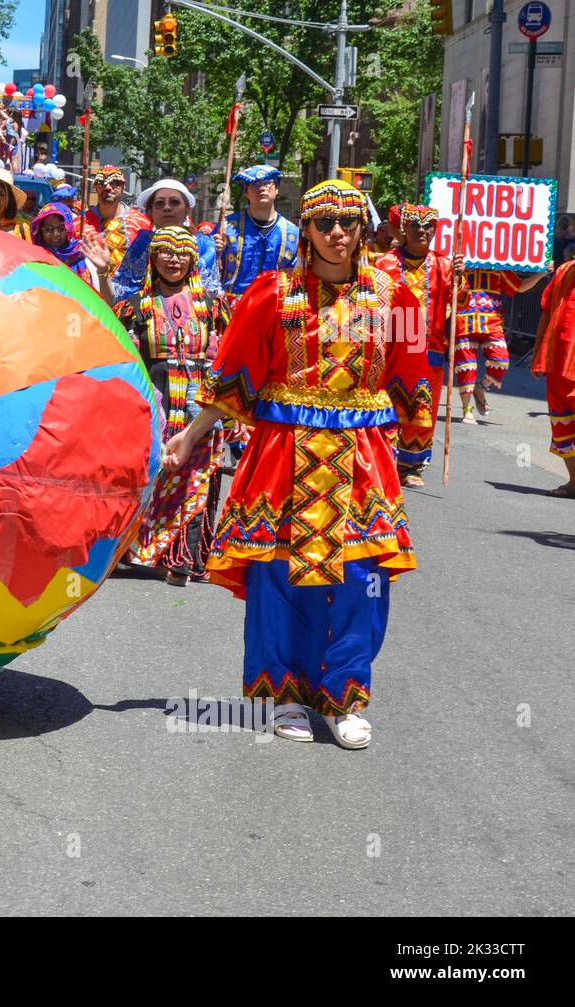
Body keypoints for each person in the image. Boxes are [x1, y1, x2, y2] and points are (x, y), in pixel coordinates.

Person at [162, 179, 432, 750]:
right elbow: (236, 374)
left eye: (350, 223)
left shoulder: (393, 298)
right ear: (305, 230)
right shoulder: (273, 294)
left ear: (364, 229)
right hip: (283, 453)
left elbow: (411, 370)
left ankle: (344, 696)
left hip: (361, 458)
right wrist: (189, 437)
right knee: (279, 575)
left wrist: (416, 437)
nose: (339, 234)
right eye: (325, 223)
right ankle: (282, 695)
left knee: (364, 578)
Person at [115, 227, 223, 585]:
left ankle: (185, 558)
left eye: (182, 253)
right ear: (153, 257)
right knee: (151, 477)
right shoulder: (133, 306)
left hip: (199, 405)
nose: (174, 259)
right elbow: (116, 352)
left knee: (196, 478)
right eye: (166, 251)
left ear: (193, 259)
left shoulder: (212, 305)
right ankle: (136, 552)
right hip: (155, 402)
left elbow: (232, 355)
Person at [375, 203, 466, 486]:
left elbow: (460, 302)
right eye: (416, 226)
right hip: (394, 346)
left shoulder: (444, 264)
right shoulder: (384, 264)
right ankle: (383, 458)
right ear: (404, 230)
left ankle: (412, 466)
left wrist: (461, 277)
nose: (423, 232)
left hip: (431, 347)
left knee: (423, 406)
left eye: (429, 227)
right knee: (389, 403)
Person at [455, 265, 548, 422]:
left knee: (501, 360)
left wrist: (542, 273)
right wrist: (456, 272)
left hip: (492, 323)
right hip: (464, 322)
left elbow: (520, 286)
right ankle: (467, 410)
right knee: (466, 368)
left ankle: (481, 386)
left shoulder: (498, 268)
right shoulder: (459, 266)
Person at [114, 177, 222, 302]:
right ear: (151, 211)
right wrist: (102, 272)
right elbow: (123, 293)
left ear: (186, 209)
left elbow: (212, 297)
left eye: (175, 202)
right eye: (159, 203)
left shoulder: (204, 245)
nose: (167, 208)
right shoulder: (141, 244)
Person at [214, 164, 299, 302]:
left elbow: (297, 278)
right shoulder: (226, 227)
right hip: (232, 310)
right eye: (254, 185)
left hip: (273, 309)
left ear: (276, 189)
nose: (261, 188)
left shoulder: (293, 234)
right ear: (246, 192)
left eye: (267, 183)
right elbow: (207, 269)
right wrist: (215, 252)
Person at [532, 258, 575, 496]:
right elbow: (546, 313)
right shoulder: (563, 270)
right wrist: (539, 352)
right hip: (557, 361)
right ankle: (574, 483)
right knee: (562, 421)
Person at [30, 201, 114, 300]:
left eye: (61, 228)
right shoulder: (35, 260)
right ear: (40, 230)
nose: (55, 234)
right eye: (49, 229)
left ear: (69, 228)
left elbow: (108, 302)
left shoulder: (84, 255)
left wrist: (103, 270)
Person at [86, 165, 146, 279]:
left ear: (123, 187)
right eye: (102, 183)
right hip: (89, 292)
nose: (108, 187)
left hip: (128, 294)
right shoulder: (80, 222)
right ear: (95, 187)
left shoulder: (141, 223)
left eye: (115, 183)